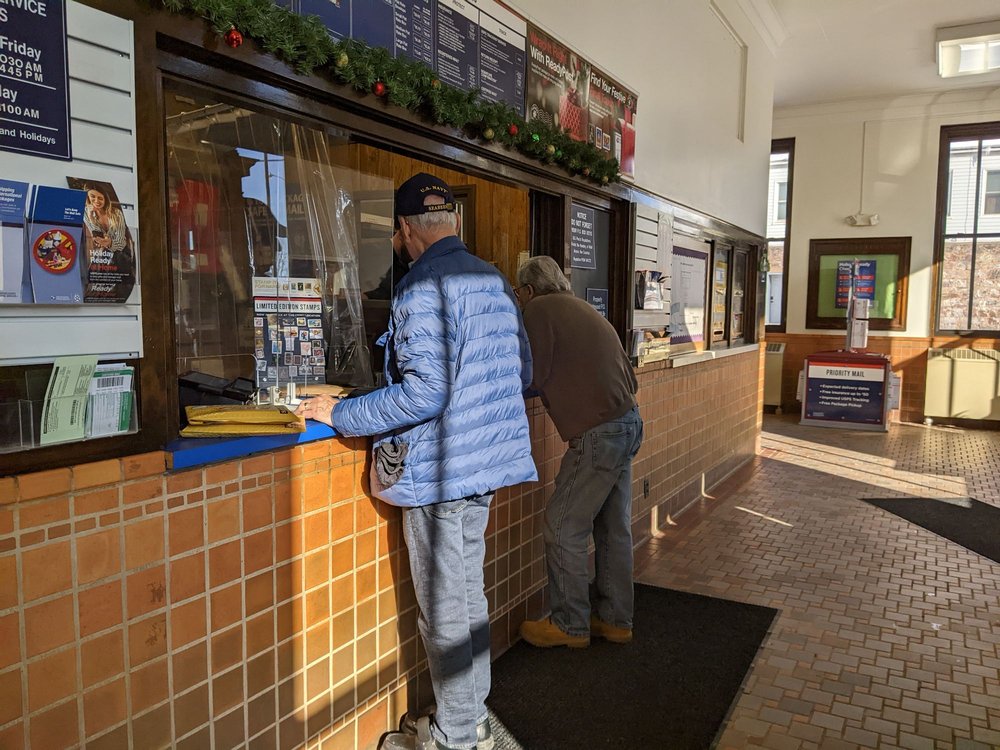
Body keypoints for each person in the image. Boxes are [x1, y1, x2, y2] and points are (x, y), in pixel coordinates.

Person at [295, 173, 537, 750]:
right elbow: (522, 371)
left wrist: (340, 412)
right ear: (451, 221)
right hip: (483, 467)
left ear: (405, 229)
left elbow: (426, 392)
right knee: (468, 598)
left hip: (441, 471)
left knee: (444, 609)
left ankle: (455, 736)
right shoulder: (494, 280)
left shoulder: (422, 286)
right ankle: (470, 719)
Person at [515, 256, 643, 649]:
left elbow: (529, 374)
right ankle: (615, 621)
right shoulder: (583, 308)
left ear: (528, 290)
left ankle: (570, 625)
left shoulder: (539, 310)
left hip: (598, 433)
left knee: (562, 526)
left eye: (519, 293)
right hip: (628, 421)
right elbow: (630, 377)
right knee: (613, 528)